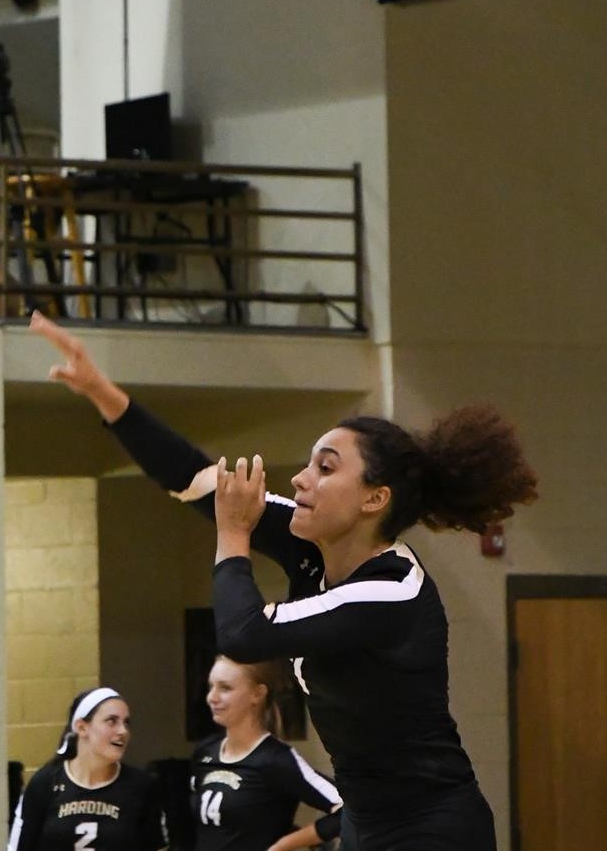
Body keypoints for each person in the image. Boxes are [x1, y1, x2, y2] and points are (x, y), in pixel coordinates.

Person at [30, 310, 539, 851]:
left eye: (325, 467)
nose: (300, 477)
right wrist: (103, 392)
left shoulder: (392, 591)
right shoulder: (309, 545)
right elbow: (195, 480)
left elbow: (243, 634)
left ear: (374, 498)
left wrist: (233, 536)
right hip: (366, 824)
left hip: (433, 827)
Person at [192, 655, 342, 851]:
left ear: (257, 694)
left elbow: (348, 808)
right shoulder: (206, 751)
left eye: (225, 688)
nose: (212, 697)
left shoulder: (276, 759)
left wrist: (283, 845)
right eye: (211, 686)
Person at [7, 687, 167, 851]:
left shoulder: (143, 787)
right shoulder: (44, 783)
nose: (123, 731)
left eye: (126, 722)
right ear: (82, 728)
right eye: (111, 721)